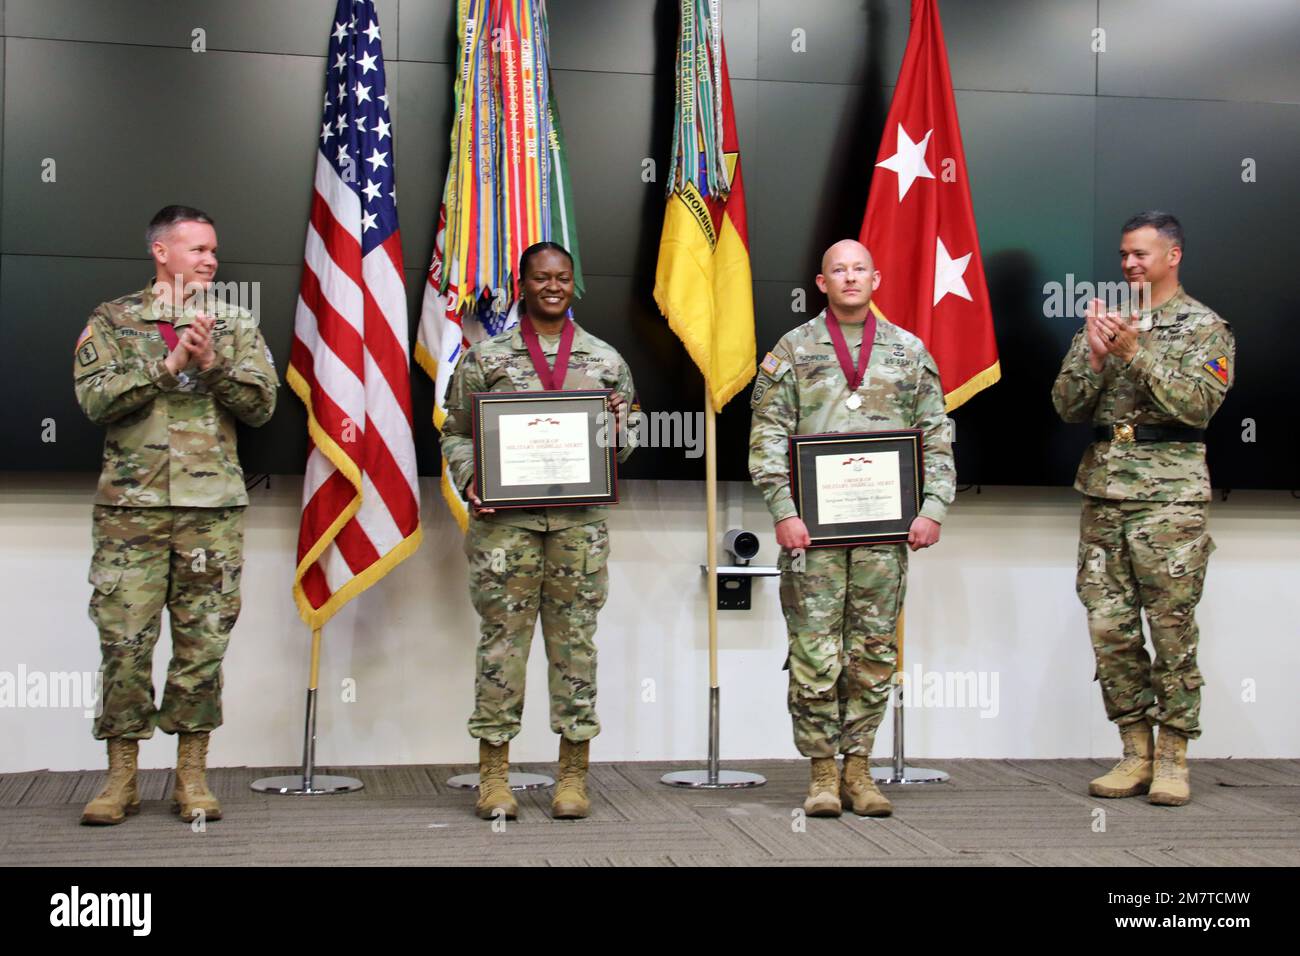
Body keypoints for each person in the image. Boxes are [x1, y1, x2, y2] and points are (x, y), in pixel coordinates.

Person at [74, 205, 278, 825]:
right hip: (129, 516)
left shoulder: (236, 324)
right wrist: (167, 368)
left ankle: (192, 776)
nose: (211, 261)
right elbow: (93, 400)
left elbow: (262, 406)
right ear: (161, 253)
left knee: (202, 646)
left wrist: (211, 366)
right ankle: (121, 780)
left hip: (210, 513)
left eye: (214, 251)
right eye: (197, 250)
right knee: (125, 646)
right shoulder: (112, 320)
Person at [748, 239, 955, 818]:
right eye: (838, 270)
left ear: (877, 277)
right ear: (821, 283)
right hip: (811, 535)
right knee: (814, 652)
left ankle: (860, 768)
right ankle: (820, 773)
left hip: (883, 535)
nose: (849, 277)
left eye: (859, 268)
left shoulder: (909, 351)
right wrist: (784, 510)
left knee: (872, 653)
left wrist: (933, 507)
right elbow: (766, 436)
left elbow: (936, 434)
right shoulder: (793, 349)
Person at [441, 242, 637, 821]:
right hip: (505, 529)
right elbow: (454, 431)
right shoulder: (487, 357)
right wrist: (474, 475)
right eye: (541, 278)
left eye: (563, 278)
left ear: (573, 284)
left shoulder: (606, 361)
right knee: (502, 645)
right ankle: (494, 776)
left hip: (579, 529)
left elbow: (623, 445)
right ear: (522, 285)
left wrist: (619, 432)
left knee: (575, 647)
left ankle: (572, 777)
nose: (553, 286)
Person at [1052, 211, 1233, 807]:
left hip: (1170, 499)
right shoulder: (1107, 319)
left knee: (1172, 629)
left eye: (1141, 254)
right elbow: (1067, 405)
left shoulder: (1205, 327)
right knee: (1110, 629)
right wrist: (1097, 359)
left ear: (1173, 255)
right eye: (1124, 254)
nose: (1130, 264)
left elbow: (1198, 405)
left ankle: (1174, 755)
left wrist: (1135, 356)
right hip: (1105, 493)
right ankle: (1135, 751)